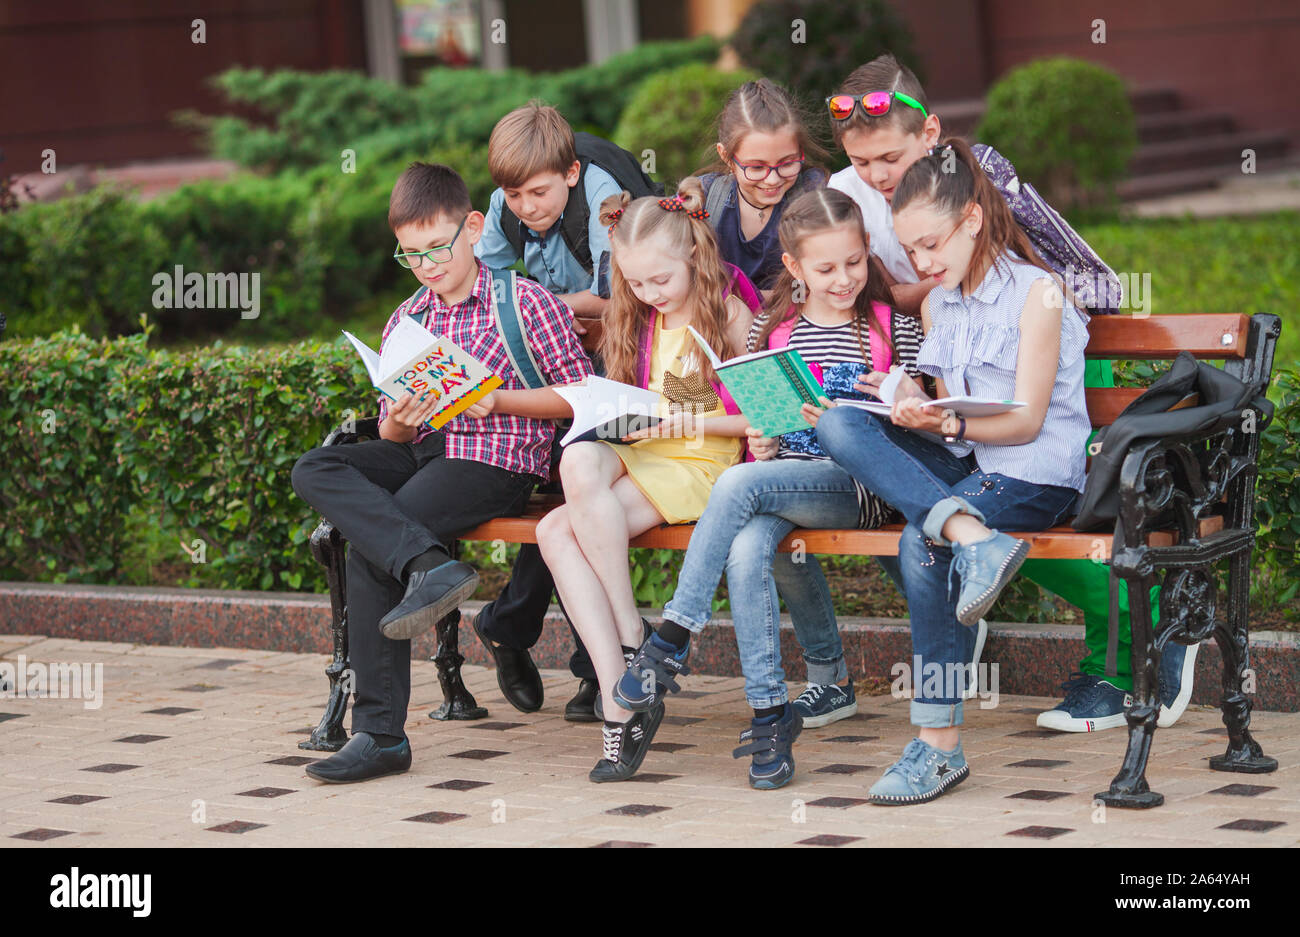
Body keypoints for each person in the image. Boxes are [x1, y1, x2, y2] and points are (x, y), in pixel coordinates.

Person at [825, 53, 1192, 732]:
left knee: (1003, 512)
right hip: (968, 391)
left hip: (1042, 365)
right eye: (865, 162)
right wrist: (914, 391)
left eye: (891, 159)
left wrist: (965, 299)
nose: (878, 177)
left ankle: (1130, 644)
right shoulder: (854, 193)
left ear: (929, 135)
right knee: (860, 441)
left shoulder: (983, 177)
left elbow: (1079, 280)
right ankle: (993, 566)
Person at [614, 187, 925, 789]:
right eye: (827, 268)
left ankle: (674, 634)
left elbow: (919, 430)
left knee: (737, 486)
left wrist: (899, 398)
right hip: (785, 480)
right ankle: (769, 712)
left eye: (855, 262)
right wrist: (764, 440)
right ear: (794, 267)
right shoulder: (772, 330)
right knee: (748, 543)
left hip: (862, 486)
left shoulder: (893, 328)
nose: (844, 279)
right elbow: (767, 425)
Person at [291, 162, 592, 783]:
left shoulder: (525, 302)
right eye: (411, 256)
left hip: (494, 456)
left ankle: (380, 736)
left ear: (473, 228)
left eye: (437, 248)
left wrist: (497, 399)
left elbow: (580, 397)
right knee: (316, 467)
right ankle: (430, 565)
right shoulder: (408, 319)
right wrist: (399, 420)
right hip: (424, 449)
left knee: (374, 543)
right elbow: (390, 431)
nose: (427, 266)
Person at [814, 139, 1091, 804]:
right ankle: (972, 536)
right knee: (839, 422)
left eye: (933, 245)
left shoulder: (1039, 295)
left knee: (920, 540)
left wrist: (946, 424)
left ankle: (938, 748)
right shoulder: (940, 304)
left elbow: (1024, 422)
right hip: (970, 464)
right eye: (912, 253)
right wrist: (902, 396)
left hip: (1034, 470)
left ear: (972, 218)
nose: (924, 264)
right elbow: (939, 397)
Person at [535, 178, 756, 782]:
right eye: (634, 283)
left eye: (661, 280)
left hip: (699, 460)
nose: (648, 293)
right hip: (645, 446)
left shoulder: (729, 314)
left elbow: (761, 418)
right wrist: (620, 415)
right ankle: (630, 653)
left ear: (693, 255)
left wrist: (676, 419)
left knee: (558, 533)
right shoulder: (638, 318)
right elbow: (631, 399)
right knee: (576, 460)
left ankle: (619, 704)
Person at [471, 101, 628, 721]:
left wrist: (540, 306)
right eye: (513, 195)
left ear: (569, 172)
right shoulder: (504, 208)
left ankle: (561, 652)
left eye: (538, 192)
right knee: (568, 504)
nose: (527, 206)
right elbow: (481, 290)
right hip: (560, 365)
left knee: (583, 504)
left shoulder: (603, 197)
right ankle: (568, 652)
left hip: (617, 371)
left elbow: (619, 297)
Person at [695, 78, 829, 292]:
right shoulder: (703, 198)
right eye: (757, 168)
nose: (772, 180)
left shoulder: (814, 194)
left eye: (787, 163)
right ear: (726, 156)